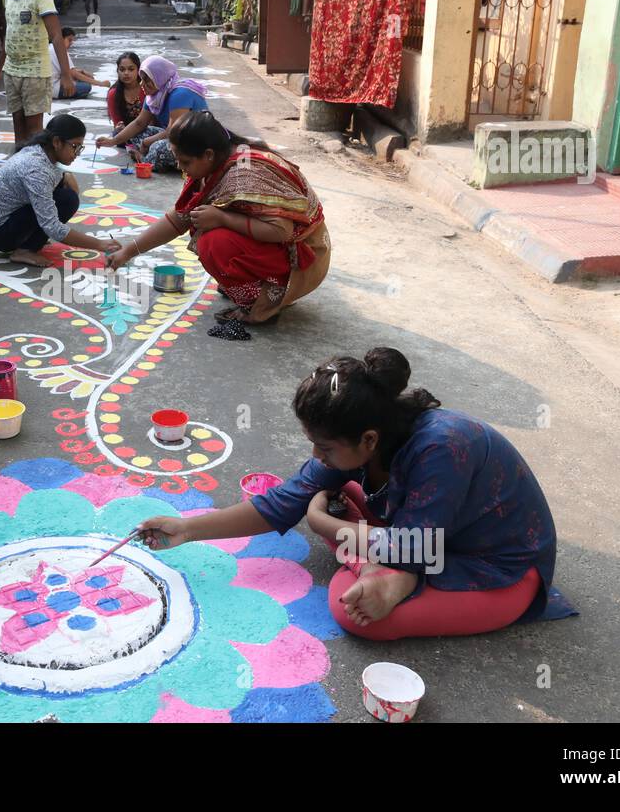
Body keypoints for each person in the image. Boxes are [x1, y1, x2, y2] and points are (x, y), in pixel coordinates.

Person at [133, 348, 567, 640]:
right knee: (342, 493)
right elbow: (283, 502)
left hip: (497, 569)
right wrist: (186, 529)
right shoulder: (364, 434)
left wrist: (326, 524)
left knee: (351, 610)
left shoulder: (441, 448)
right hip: (430, 534)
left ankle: (396, 574)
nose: (315, 454)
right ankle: (390, 570)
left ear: (369, 440)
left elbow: (420, 547)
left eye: (324, 447)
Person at [107, 111, 331, 325]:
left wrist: (223, 219)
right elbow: (179, 219)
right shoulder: (215, 163)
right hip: (285, 248)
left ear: (208, 155)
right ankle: (254, 286)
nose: (179, 167)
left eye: (184, 162)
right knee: (206, 223)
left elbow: (282, 230)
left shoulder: (244, 174)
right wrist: (128, 252)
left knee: (213, 241)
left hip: (304, 258)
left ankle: (263, 304)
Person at [0, 114, 121, 268]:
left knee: (68, 197)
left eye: (80, 147)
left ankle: (29, 242)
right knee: (67, 200)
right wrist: (101, 244)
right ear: (57, 142)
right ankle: (24, 250)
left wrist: (65, 175)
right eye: (75, 146)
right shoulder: (36, 169)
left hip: (4, 223)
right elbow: (52, 226)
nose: (77, 153)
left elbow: (68, 188)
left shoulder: (40, 152)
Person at [0, 0, 75, 148]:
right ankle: (20, 168)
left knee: (34, 131)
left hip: (35, 74)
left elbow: (56, 35)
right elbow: (9, 35)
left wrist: (66, 75)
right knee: (18, 126)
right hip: (12, 73)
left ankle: (37, 171)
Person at [95, 54, 208, 171]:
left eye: (146, 79)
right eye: (141, 78)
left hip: (194, 142)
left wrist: (146, 142)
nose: (141, 84)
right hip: (173, 136)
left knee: (158, 148)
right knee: (136, 134)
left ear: (159, 77)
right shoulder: (155, 95)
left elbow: (173, 132)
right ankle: (153, 158)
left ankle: (146, 160)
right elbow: (139, 123)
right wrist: (112, 141)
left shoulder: (179, 94)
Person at [49, 27, 108, 100]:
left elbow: (68, 70)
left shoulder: (51, 47)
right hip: (53, 89)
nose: (71, 43)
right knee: (86, 86)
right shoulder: (61, 50)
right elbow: (73, 73)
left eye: (72, 41)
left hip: (49, 86)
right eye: (69, 40)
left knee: (80, 79)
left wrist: (81, 71)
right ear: (61, 39)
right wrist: (100, 83)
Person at [105, 51, 143, 131]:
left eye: (131, 69)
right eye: (122, 70)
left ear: (138, 70)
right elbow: (117, 122)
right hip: (125, 133)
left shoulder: (146, 89)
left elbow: (152, 119)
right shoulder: (113, 94)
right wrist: (119, 127)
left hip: (148, 131)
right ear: (117, 71)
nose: (126, 73)